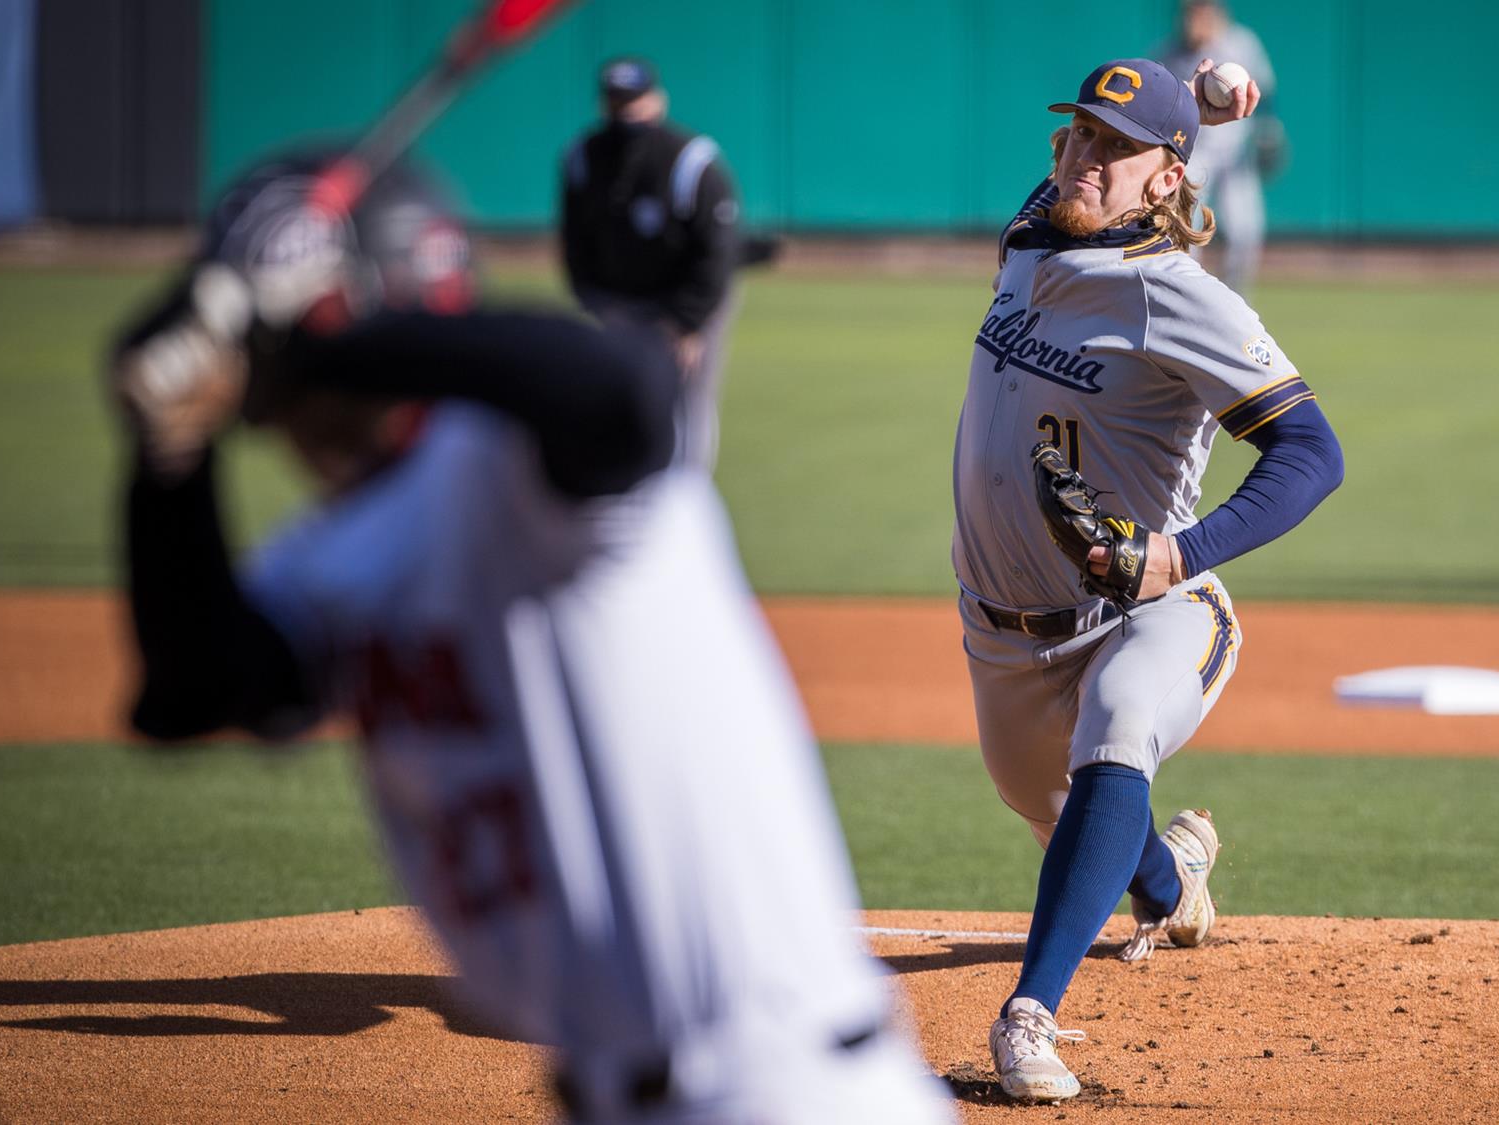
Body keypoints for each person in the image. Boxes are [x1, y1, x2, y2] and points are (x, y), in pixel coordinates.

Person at [112, 151, 953, 1124]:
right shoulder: (333, 556)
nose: (285, 413)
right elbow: (195, 690)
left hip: (774, 1089)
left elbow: (620, 389)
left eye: (287, 380)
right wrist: (166, 463)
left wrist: (322, 340)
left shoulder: (528, 476)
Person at [952, 58, 1344, 1102]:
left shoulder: (1178, 300)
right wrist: (1194, 118)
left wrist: (1180, 553)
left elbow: (1312, 453)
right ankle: (1173, 886)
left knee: (1117, 732)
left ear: (1163, 180)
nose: (1085, 158)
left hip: (1144, 605)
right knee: (1071, 813)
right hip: (1002, 640)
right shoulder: (1037, 236)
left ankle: (1027, 1020)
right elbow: (1105, 177)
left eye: (1113, 147)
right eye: (1078, 136)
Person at [560, 57, 743, 468]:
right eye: (616, 100)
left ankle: (686, 496)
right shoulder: (584, 157)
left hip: (686, 300)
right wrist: (595, 304)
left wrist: (689, 322)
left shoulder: (691, 161)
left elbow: (717, 251)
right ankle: (624, 489)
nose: (626, 110)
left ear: (657, 100)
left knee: (688, 406)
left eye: (634, 99)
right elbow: (575, 243)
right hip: (619, 304)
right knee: (617, 399)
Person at [1157, 0, 1280, 295]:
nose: (1197, 14)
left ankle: (1236, 301)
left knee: (1244, 231)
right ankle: (1187, 296)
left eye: (1202, 7)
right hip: (1193, 151)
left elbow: (1266, 90)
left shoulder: (1242, 43)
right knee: (1185, 229)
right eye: (1191, 9)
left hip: (1236, 151)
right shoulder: (1169, 52)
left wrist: (1270, 127)